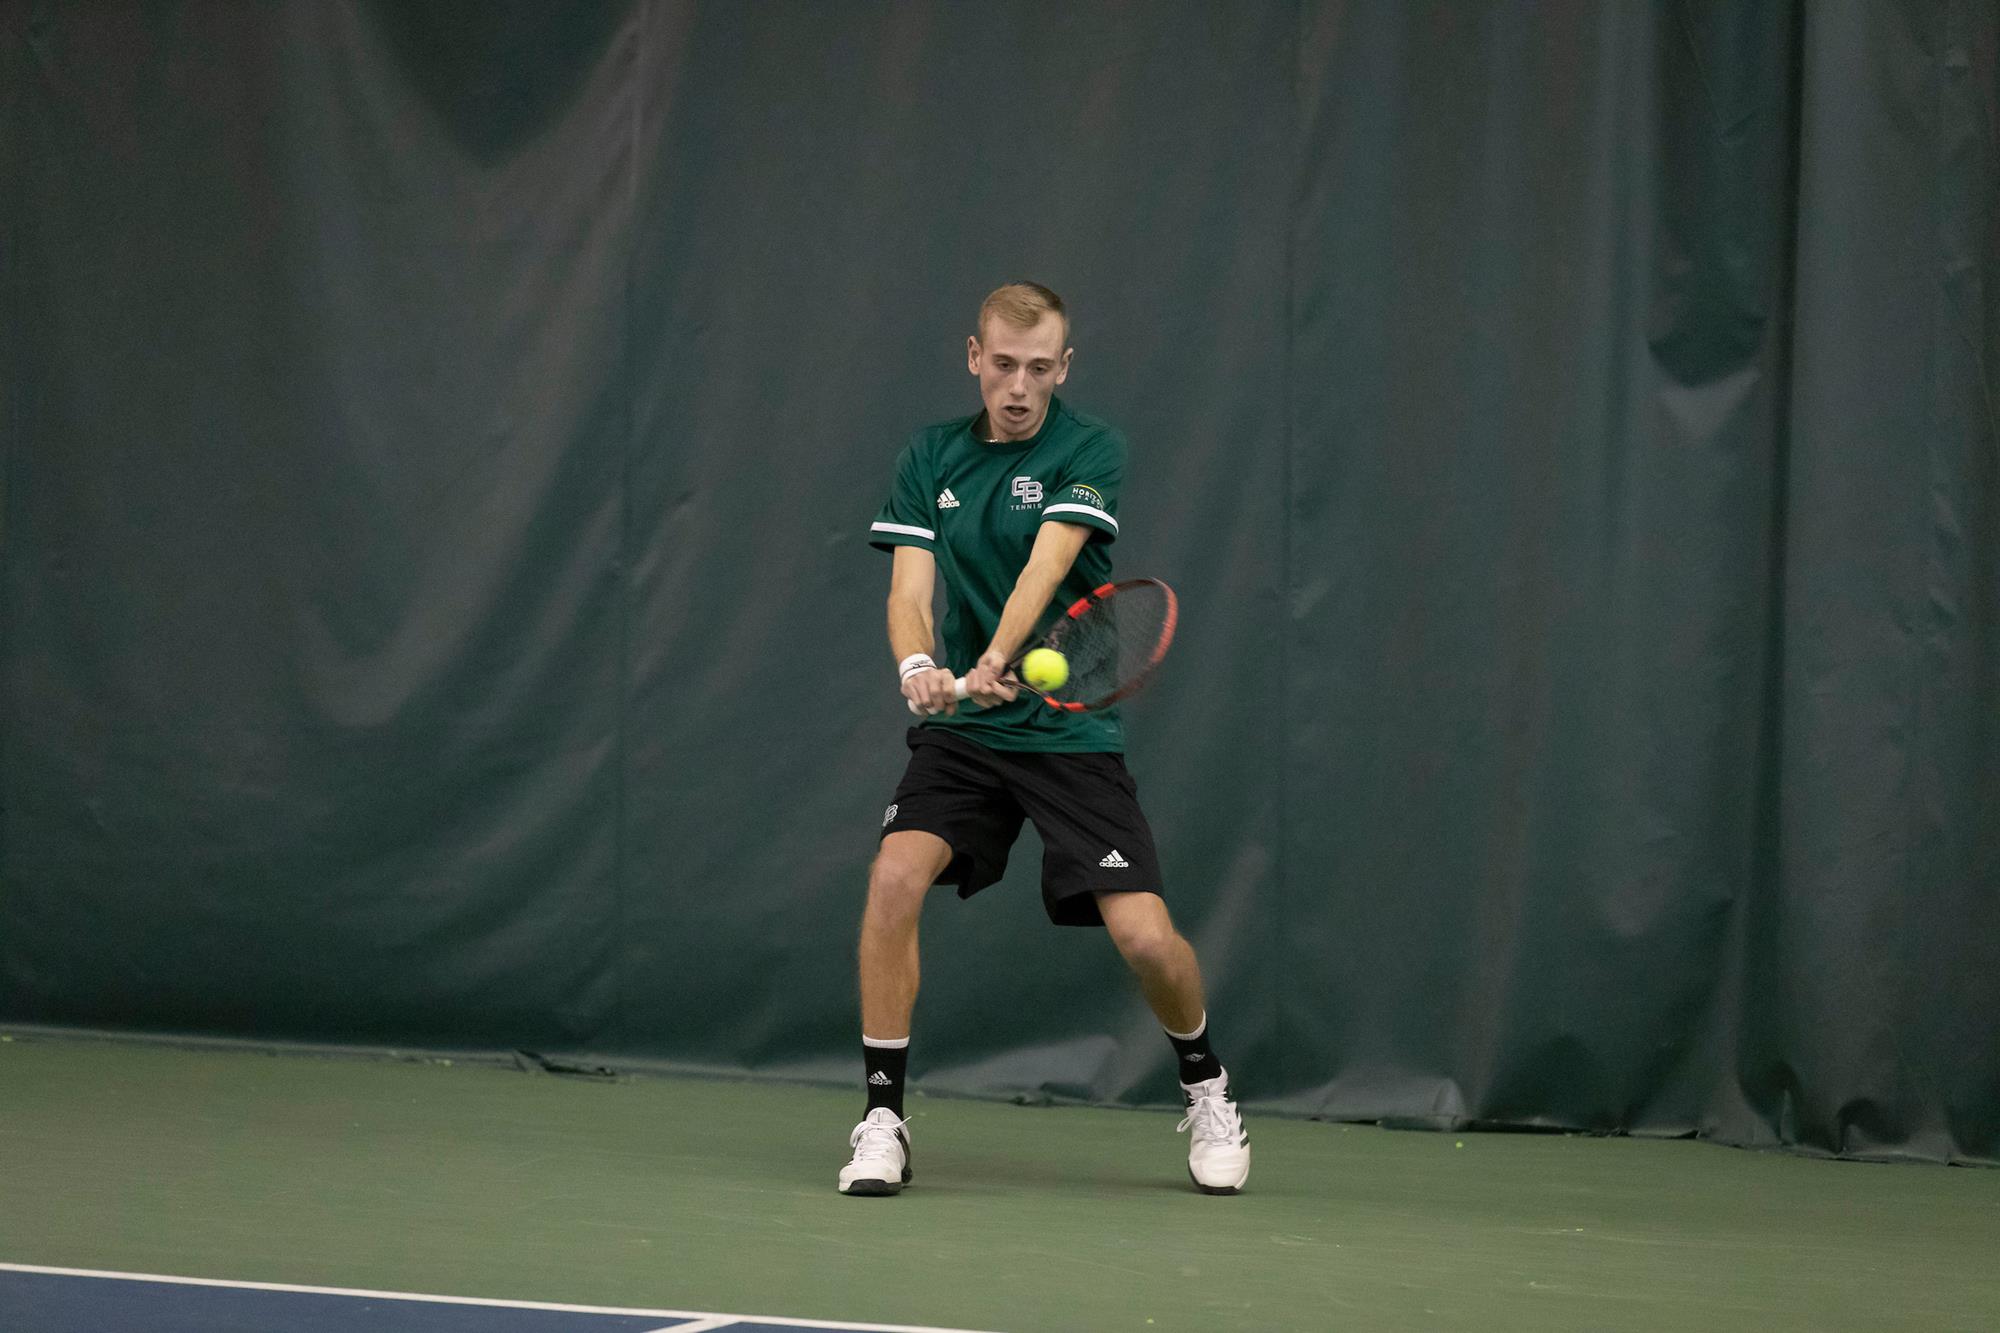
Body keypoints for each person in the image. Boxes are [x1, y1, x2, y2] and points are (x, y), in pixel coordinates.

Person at [843, 282, 1248, 1197]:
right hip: (966, 735)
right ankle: (882, 1118)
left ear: (1063, 368)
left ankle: (1206, 1082)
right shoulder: (929, 456)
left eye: (1038, 368)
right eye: (1003, 365)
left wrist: (994, 655)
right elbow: (909, 592)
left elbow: (1048, 561)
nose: (1018, 387)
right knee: (894, 878)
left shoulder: (1090, 447)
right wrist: (918, 665)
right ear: (974, 358)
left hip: (1069, 731)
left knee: (1146, 939)